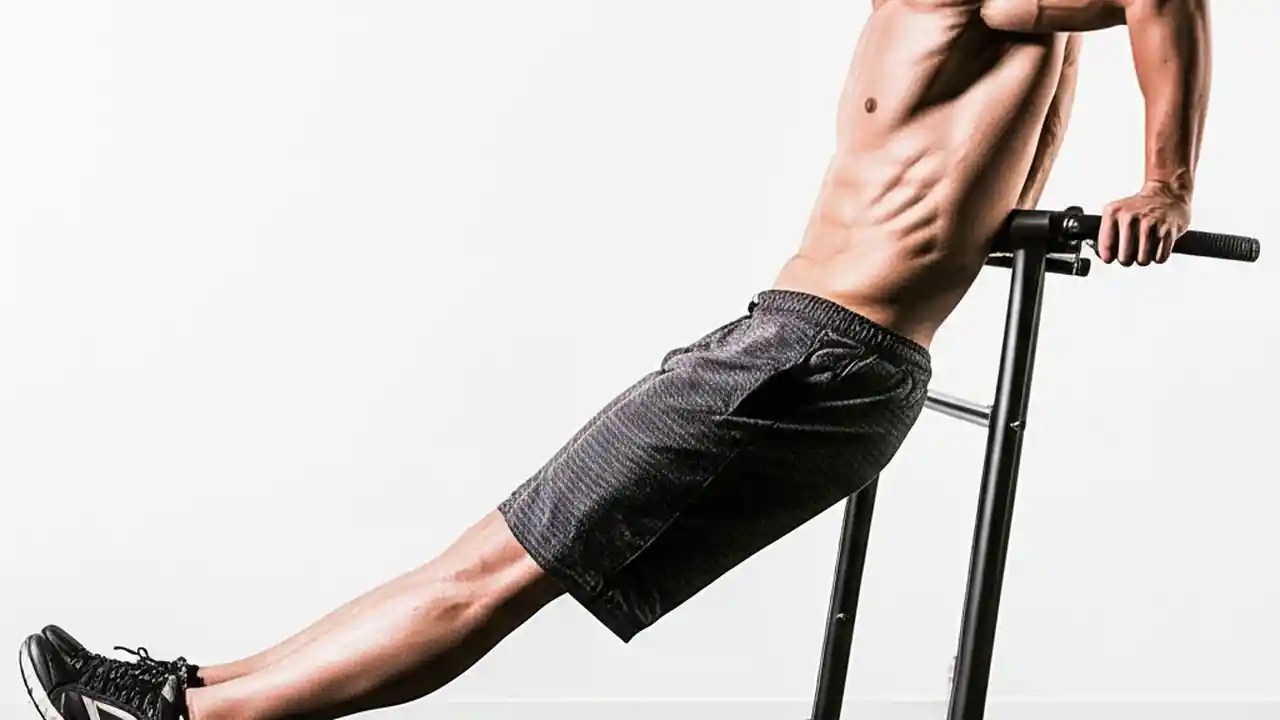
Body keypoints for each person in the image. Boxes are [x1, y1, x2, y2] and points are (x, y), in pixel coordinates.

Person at [19, 1, 1212, 718]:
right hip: (791, 346)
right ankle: (195, 688)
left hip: (806, 360)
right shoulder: (1001, 27)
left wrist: (1163, 178)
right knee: (483, 553)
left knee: (486, 577)